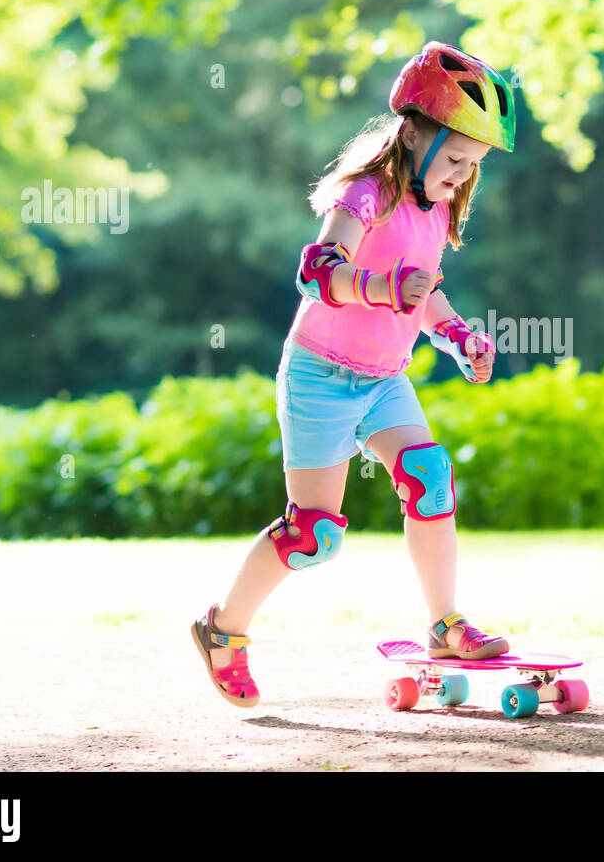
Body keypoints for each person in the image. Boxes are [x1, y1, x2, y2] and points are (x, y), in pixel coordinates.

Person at [191, 41, 517, 708]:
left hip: (384, 380)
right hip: (318, 377)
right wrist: (384, 284)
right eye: (454, 159)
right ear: (416, 134)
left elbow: (425, 294)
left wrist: (459, 337)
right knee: (313, 536)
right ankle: (222, 630)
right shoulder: (368, 193)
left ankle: (445, 624)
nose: (459, 177)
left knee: (429, 475)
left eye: (472, 167)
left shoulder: (432, 210)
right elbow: (316, 272)